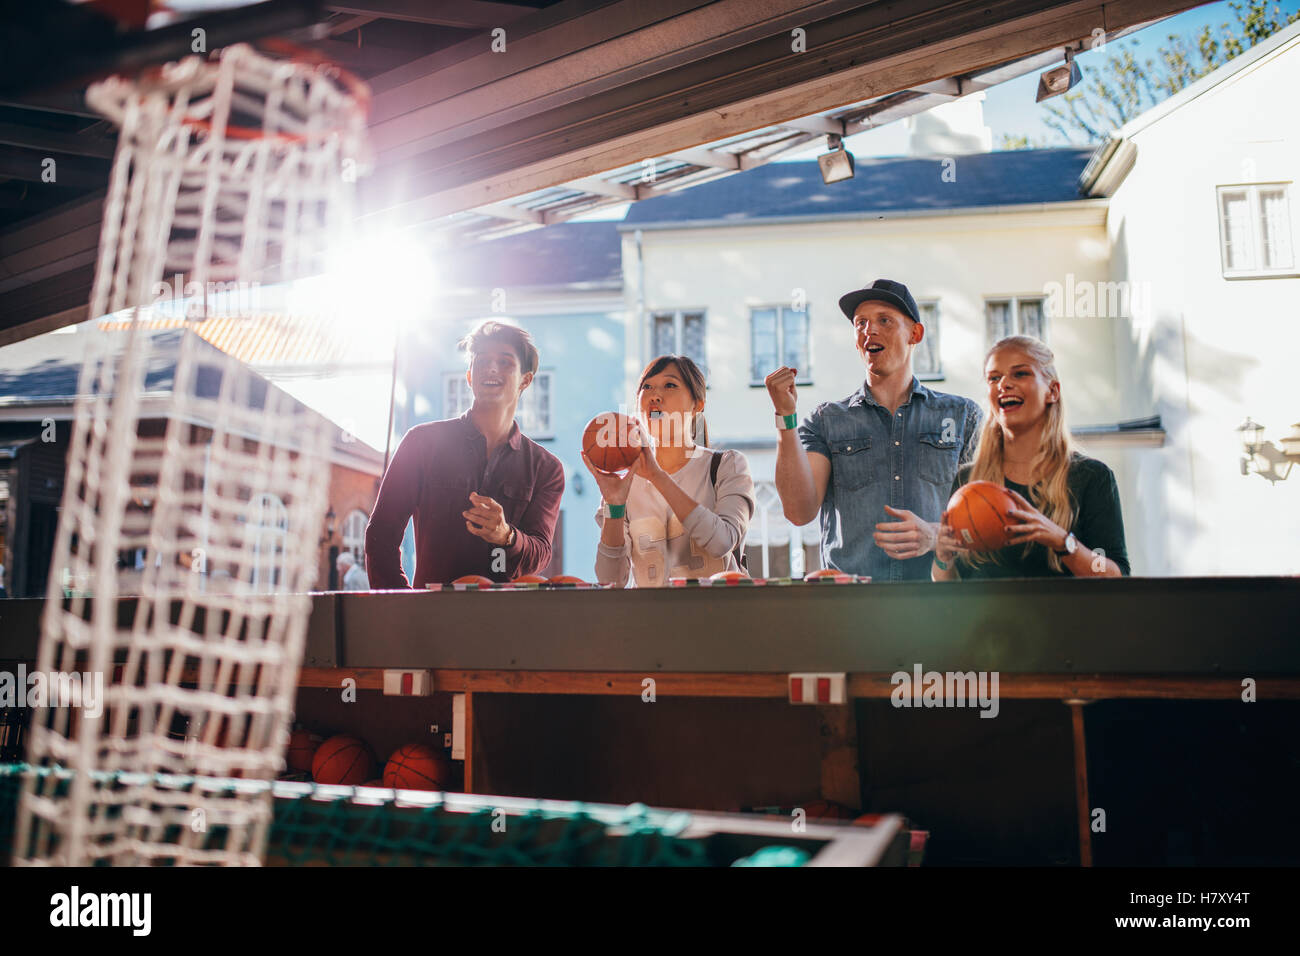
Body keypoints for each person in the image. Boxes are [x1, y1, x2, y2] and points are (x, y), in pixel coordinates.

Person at [765, 278, 981, 581]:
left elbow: (986, 525)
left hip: (937, 604)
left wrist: (934, 535)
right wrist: (785, 417)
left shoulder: (962, 416)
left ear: (915, 334)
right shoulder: (826, 421)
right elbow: (798, 512)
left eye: (885, 320)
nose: (870, 330)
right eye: (861, 323)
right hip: (851, 608)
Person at [365, 320, 565, 588]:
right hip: (431, 619)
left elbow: (539, 555)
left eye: (505, 362)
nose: (492, 368)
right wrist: (403, 606)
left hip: (508, 621)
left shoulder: (546, 469)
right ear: (469, 376)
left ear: (525, 381)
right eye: (482, 361)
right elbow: (381, 536)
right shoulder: (421, 443)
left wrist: (506, 536)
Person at [932, 335, 1129, 580]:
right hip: (985, 620)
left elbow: (1114, 576)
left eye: (1020, 374)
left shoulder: (1091, 477)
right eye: (994, 378)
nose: (1003, 384)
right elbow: (951, 588)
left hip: (1063, 619)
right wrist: (942, 558)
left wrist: (1063, 542)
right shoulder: (968, 480)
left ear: (1053, 391)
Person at [585, 355, 755, 587]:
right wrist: (614, 505)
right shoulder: (625, 484)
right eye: (647, 387)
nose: (655, 395)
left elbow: (722, 542)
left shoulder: (726, 465)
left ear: (698, 404)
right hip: (649, 620)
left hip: (715, 617)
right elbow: (611, 579)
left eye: (670, 385)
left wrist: (657, 476)